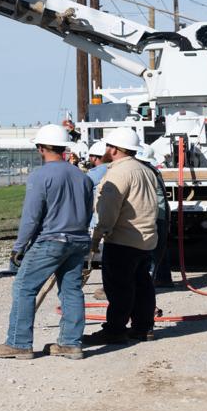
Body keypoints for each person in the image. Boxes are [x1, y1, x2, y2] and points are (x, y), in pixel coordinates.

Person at [0, 123, 94, 361]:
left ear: (41, 148)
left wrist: (19, 247)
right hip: (78, 239)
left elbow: (31, 216)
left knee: (24, 287)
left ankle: (18, 343)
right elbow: (88, 212)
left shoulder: (41, 175)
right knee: (71, 291)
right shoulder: (81, 176)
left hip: (51, 240)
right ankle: (70, 343)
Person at [85, 128, 159, 346]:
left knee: (119, 288)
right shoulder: (144, 169)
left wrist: (98, 234)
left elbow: (108, 209)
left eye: (108, 146)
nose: (106, 149)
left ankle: (115, 330)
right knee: (142, 285)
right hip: (145, 238)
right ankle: (143, 328)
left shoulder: (118, 172)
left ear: (114, 149)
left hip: (123, 239)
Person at [138, 145, 175, 287]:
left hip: (155, 215)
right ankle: (164, 279)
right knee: (160, 250)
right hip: (162, 215)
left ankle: (149, 282)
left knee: (152, 251)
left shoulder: (145, 172)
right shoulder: (154, 170)